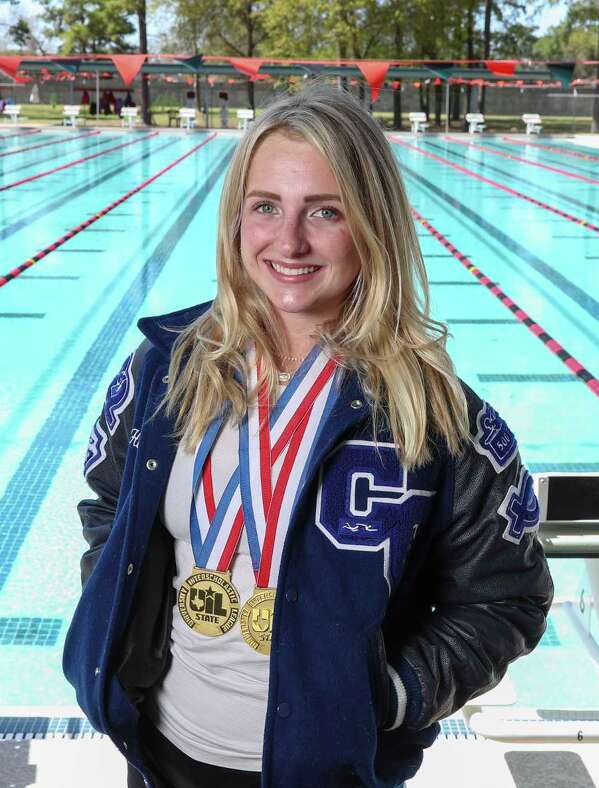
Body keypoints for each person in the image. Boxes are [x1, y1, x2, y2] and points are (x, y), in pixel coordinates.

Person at [63, 84, 552, 788]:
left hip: (329, 772)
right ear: (237, 220)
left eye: (325, 212)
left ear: (373, 225)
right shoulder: (164, 368)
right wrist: (121, 628)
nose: (288, 242)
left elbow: (508, 598)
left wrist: (390, 694)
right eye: (266, 207)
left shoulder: (436, 416)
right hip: (162, 756)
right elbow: (108, 508)